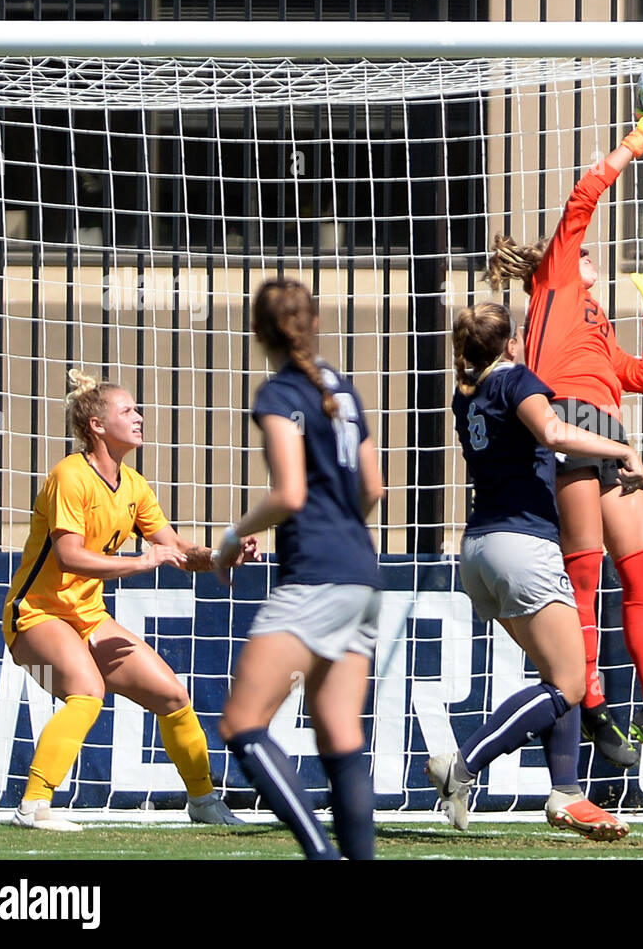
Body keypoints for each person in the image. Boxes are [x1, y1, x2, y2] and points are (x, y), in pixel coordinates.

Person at [486, 113, 643, 776]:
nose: (589, 252)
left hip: (611, 432)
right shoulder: (556, 280)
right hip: (569, 425)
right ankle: (598, 704)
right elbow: (584, 198)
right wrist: (637, 142)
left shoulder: (596, 318)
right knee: (585, 576)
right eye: (580, 250)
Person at [425, 301, 643, 840]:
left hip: (480, 547)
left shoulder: (467, 393)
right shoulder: (515, 380)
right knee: (570, 682)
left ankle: (566, 792)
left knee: (558, 677)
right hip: (523, 546)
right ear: (514, 343)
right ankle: (463, 765)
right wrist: (621, 448)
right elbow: (551, 432)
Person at [2, 368, 253, 831]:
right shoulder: (70, 476)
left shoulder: (134, 486)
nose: (140, 417)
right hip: (35, 616)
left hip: (87, 617)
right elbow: (71, 556)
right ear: (97, 425)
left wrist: (223, 554)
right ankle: (32, 806)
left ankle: (203, 801)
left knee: (172, 694)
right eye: (128, 410)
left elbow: (178, 553)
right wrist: (141, 563)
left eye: (137, 410)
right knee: (88, 691)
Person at [215, 279, 385, 860]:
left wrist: (232, 536)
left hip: (315, 572)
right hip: (363, 574)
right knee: (340, 736)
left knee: (241, 724)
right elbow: (373, 487)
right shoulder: (342, 389)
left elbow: (288, 493)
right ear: (313, 322)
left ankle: (321, 855)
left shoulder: (279, 392)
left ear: (259, 332)